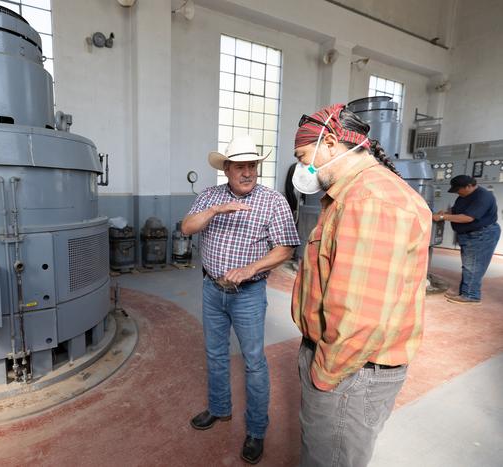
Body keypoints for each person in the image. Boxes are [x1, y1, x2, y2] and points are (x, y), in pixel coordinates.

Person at [290, 104, 432, 467]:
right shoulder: (352, 195)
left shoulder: (372, 201)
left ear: (332, 142)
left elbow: (361, 317)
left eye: (304, 156)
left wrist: (323, 375)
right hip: (341, 365)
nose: (303, 168)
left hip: (348, 373)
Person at [182, 134, 300, 464]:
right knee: (215, 353)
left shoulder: (273, 201)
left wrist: (251, 269)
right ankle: (219, 409)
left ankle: (257, 431)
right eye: (240, 167)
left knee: (253, 361)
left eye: (253, 166)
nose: (247, 172)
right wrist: (217, 210)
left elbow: (286, 248)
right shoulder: (209, 196)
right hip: (212, 289)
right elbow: (187, 227)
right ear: (227, 169)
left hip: (248, 294)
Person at [432, 174, 501, 304]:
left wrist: (442, 218)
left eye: (458, 189)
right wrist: (446, 214)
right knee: (469, 265)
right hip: (470, 235)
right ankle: (465, 292)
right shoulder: (464, 196)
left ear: (469, 186)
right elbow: (457, 211)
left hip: (482, 234)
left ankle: (471, 296)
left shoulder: (483, 196)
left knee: (473, 266)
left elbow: (468, 217)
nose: (457, 192)